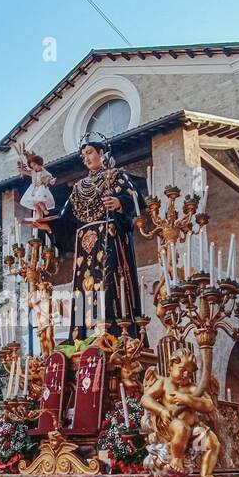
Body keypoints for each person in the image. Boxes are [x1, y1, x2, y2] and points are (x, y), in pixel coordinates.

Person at [57, 137, 144, 339]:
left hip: (108, 238)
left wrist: (119, 203)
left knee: (109, 282)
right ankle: (83, 337)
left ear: (102, 153)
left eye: (89, 152)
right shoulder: (78, 187)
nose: (86, 158)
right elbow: (65, 218)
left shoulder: (116, 176)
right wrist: (47, 226)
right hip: (84, 245)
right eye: (83, 155)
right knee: (83, 289)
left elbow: (135, 198)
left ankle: (115, 332)